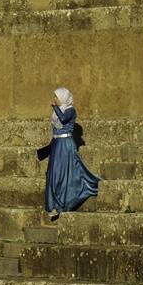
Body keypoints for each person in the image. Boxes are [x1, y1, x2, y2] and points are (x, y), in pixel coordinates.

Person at [44, 88, 100, 220]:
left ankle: (61, 205)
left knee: (63, 175)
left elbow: (63, 120)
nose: (55, 99)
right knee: (54, 174)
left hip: (66, 144)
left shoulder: (70, 110)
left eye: (57, 97)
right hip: (57, 145)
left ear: (63, 98)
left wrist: (55, 108)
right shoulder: (58, 111)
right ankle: (53, 205)